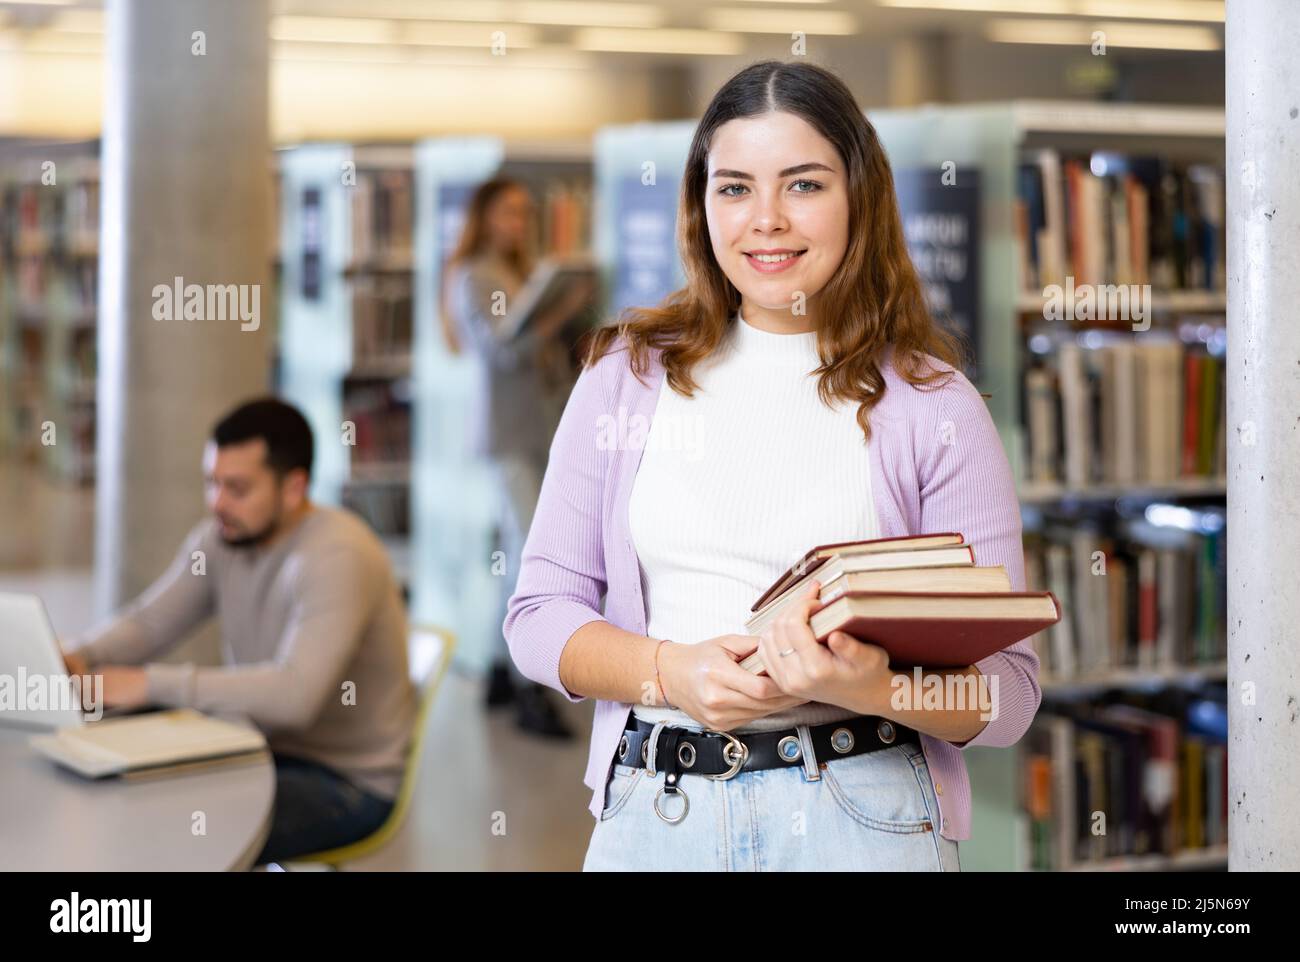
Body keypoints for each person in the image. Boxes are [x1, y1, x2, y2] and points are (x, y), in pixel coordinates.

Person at [505, 60, 1041, 871]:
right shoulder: (625, 375)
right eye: (734, 187)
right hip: (659, 810)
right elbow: (539, 615)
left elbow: (1008, 692)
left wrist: (875, 689)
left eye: (803, 185)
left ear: (859, 195)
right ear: (700, 203)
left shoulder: (937, 405)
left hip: (865, 814)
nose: (766, 221)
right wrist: (667, 672)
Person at [63, 398, 417, 865]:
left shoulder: (338, 555)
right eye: (212, 483)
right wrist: (75, 654)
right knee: (123, 789)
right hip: (256, 746)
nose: (217, 503)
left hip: (346, 779)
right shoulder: (222, 537)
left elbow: (295, 696)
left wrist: (149, 682)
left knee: (176, 826)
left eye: (237, 488)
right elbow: (149, 623)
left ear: (294, 488)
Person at [442, 175, 592, 739]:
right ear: (483, 217)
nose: (517, 224)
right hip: (507, 433)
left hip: (541, 426)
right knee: (530, 549)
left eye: (523, 213)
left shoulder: (520, 269)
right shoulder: (473, 274)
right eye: (506, 212)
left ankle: (502, 674)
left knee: (515, 545)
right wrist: (554, 316)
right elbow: (500, 349)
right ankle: (530, 683)